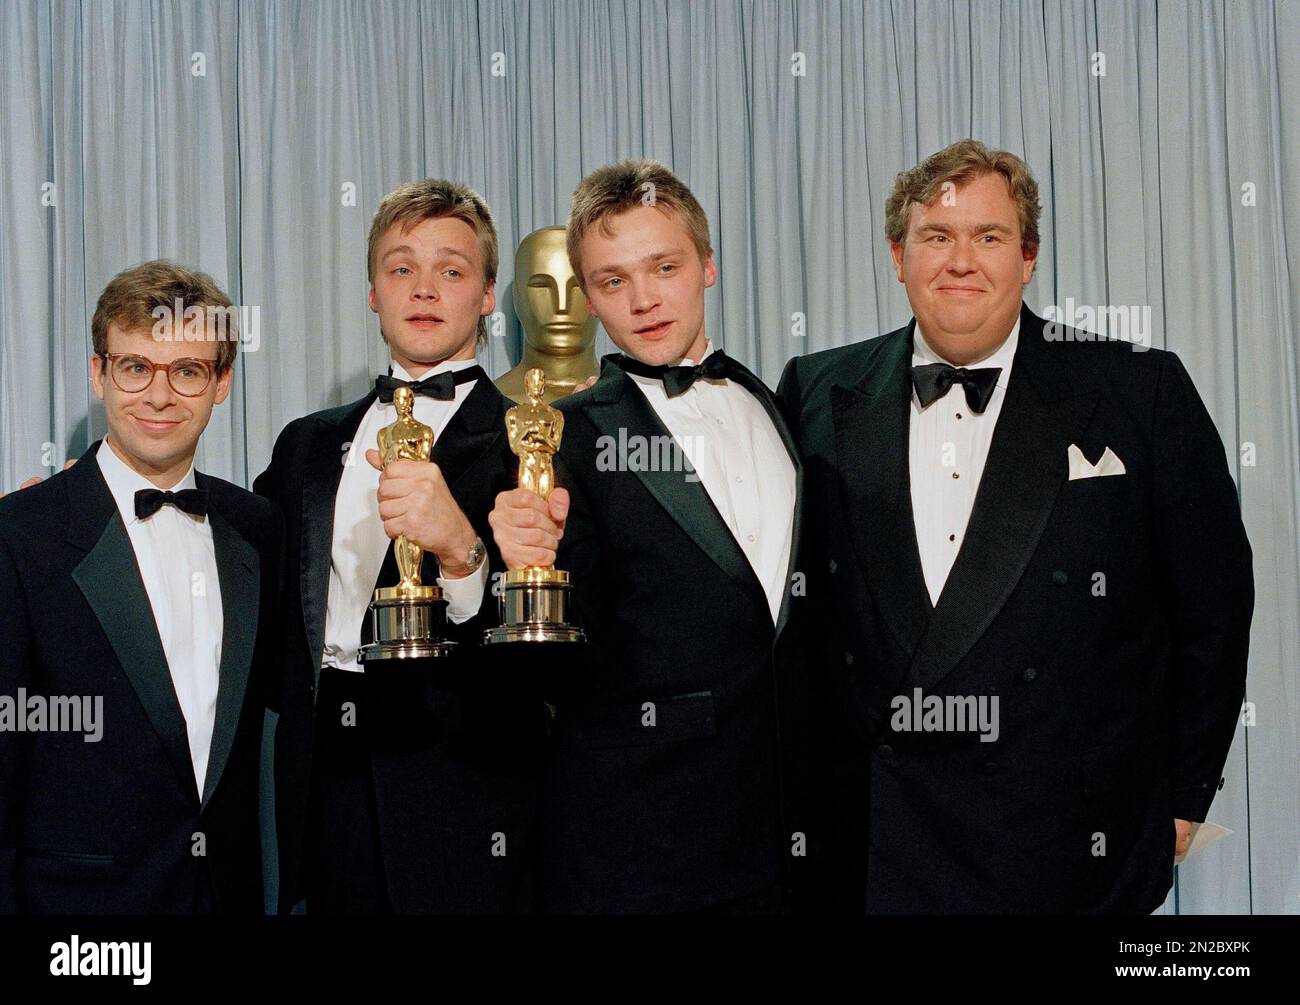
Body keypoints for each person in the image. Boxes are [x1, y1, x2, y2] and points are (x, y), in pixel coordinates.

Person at [778, 139, 1254, 913]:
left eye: (988, 237)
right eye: (936, 237)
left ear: (1028, 257)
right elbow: (792, 622)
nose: (960, 261)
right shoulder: (814, 389)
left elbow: (1215, 610)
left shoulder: (1141, 388)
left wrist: (1182, 798)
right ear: (897, 256)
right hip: (876, 850)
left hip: (1071, 851)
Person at [488, 160, 806, 913]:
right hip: (641, 850)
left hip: (790, 836)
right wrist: (519, 573)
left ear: (708, 264)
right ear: (591, 295)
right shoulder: (568, 437)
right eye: (612, 280)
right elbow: (553, 674)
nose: (644, 299)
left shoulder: (781, 401)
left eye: (664, 266)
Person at [254, 179, 545, 914]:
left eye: (451, 269)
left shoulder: (535, 442)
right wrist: (90, 500)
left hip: (462, 786)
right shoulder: (305, 445)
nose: (423, 288)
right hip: (321, 781)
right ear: (373, 293)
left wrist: (463, 554)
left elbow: (551, 661)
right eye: (400, 267)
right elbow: (241, 579)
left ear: (487, 295)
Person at [0, 261, 281, 913]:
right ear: (100, 375)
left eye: (187, 370)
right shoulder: (19, 537)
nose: (160, 396)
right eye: (135, 367)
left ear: (221, 383)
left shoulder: (259, 528)